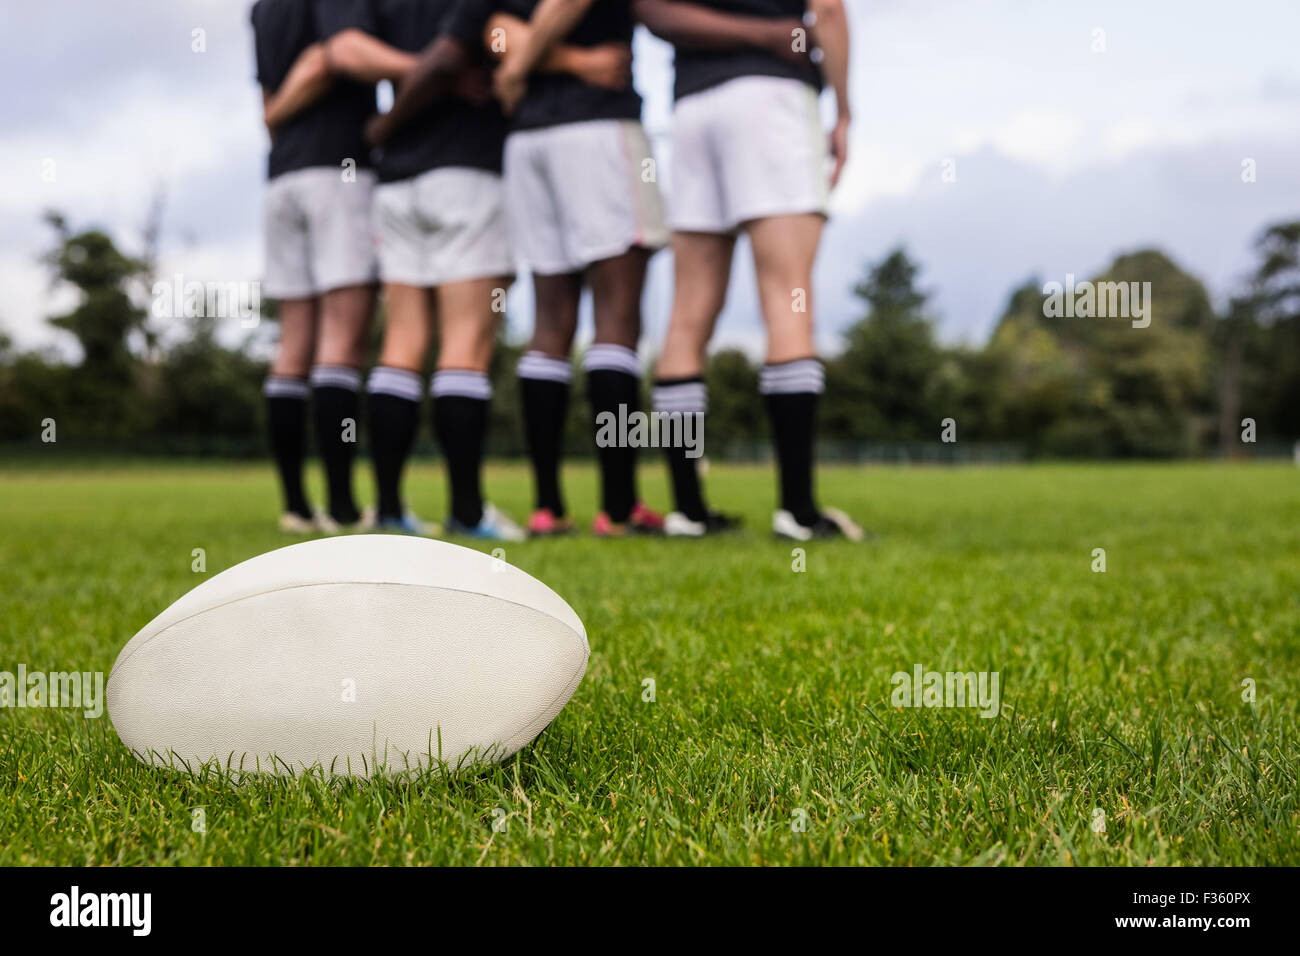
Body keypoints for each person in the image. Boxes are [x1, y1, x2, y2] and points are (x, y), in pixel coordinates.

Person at [387, 0, 667, 537]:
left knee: (549, 322)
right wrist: (552, 65)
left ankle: (548, 506)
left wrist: (523, 60)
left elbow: (498, 31)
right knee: (616, 319)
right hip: (597, 126)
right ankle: (618, 505)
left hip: (527, 139)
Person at [634, 0, 863, 540]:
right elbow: (827, 10)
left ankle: (688, 510)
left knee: (687, 315)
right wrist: (846, 111)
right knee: (788, 297)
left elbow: (651, 9)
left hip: (691, 110)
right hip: (773, 98)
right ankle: (797, 512)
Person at [251, 0, 379, 535]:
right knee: (341, 343)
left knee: (293, 345)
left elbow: (268, 98)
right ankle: (343, 508)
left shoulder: (262, 8)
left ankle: (296, 506)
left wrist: (276, 113)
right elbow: (333, 60)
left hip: (282, 177)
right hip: (337, 172)